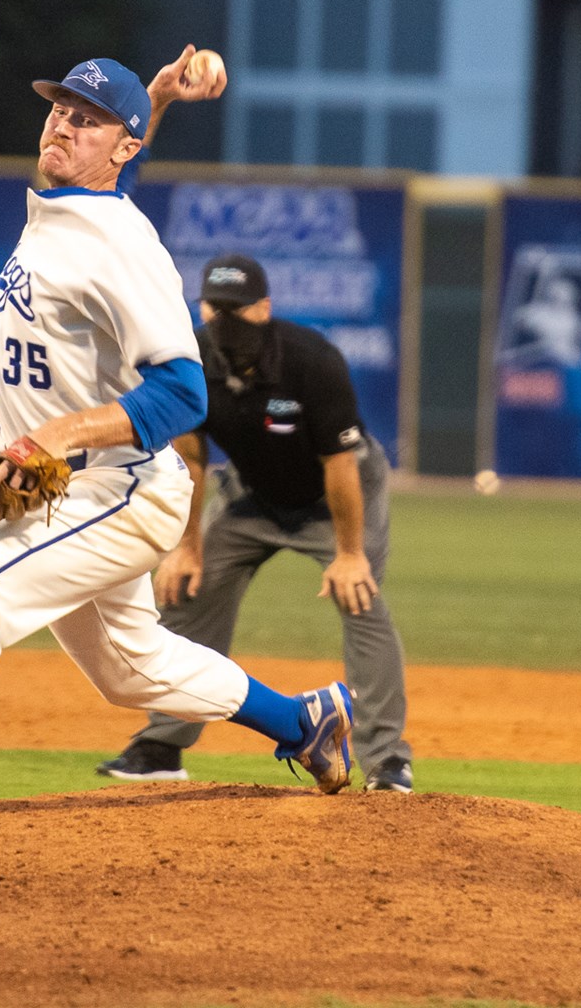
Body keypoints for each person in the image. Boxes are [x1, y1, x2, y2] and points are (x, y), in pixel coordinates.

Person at [0, 48, 358, 892]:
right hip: (75, 486)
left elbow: (184, 395)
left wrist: (56, 439)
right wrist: (153, 96)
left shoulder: (117, 245)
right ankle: (307, 721)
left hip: (123, 489)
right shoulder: (75, 210)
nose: (63, 124)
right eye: (61, 109)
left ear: (124, 146)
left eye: (87, 118)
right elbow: (114, 178)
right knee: (129, 667)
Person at [94, 253, 415, 793]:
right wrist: (187, 546)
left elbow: (341, 464)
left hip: (332, 496)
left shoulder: (312, 361)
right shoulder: (190, 358)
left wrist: (350, 553)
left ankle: (386, 762)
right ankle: (162, 745)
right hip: (252, 499)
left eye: (237, 309)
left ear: (264, 308)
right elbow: (190, 456)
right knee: (188, 589)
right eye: (214, 307)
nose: (223, 319)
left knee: (359, 597)